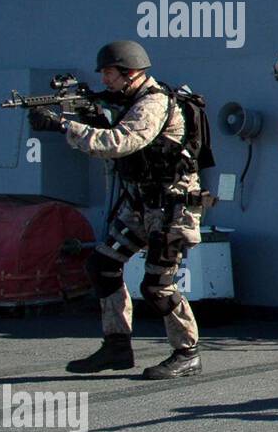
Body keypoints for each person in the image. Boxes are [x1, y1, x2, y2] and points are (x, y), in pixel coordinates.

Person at [29, 41, 207, 379]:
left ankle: (187, 353)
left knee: (158, 285)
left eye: (109, 73)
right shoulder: (128, 101)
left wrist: (63, 126)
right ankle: (117, 345)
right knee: (103, 264)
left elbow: (120, 143)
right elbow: (110, 125)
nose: (105, 80)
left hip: (171, 206)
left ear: (130, 72)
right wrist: (86, 111)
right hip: (140, 204)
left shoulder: (153, 104)